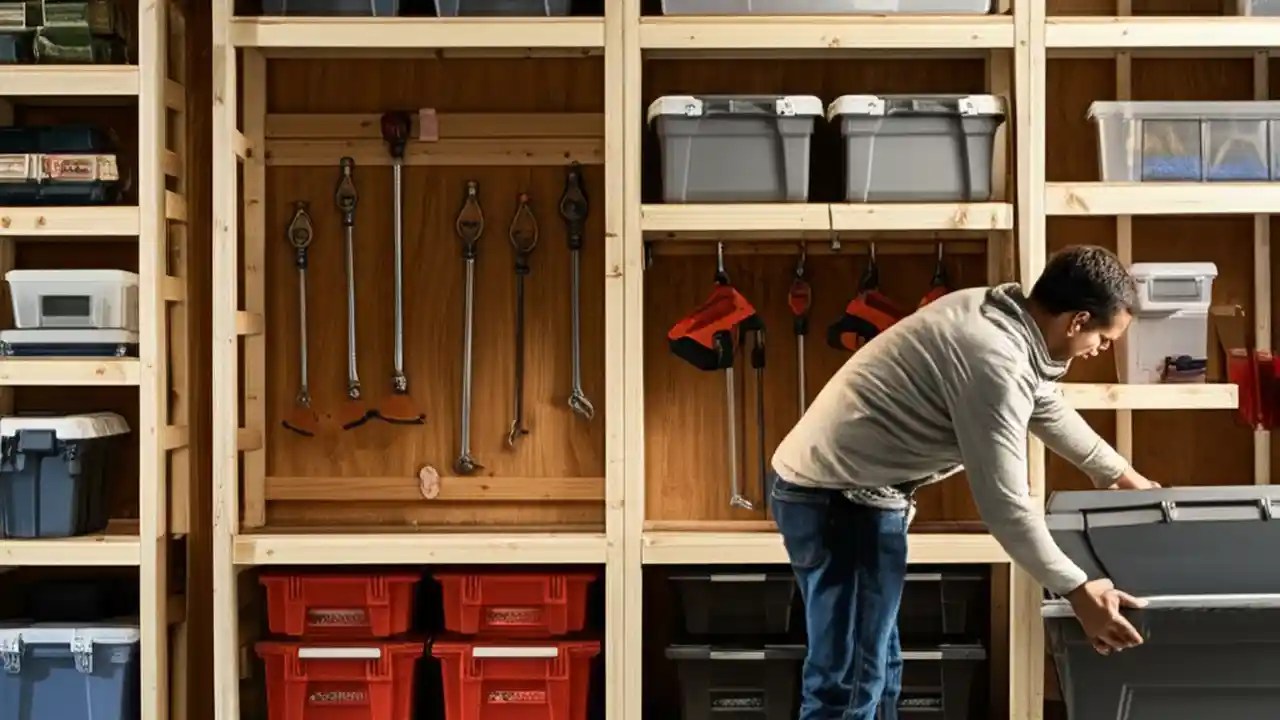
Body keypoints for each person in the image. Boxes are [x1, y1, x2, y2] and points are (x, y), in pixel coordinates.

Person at [769, 245, 1157, 720]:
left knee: (877, 673)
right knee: (849, 687)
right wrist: (1078, 591)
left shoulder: (998, 315)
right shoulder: (995, 359)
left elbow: (1044, 404)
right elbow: (1006, 508)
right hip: (837, 501)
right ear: (1077, 321)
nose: (1102, 349)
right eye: (1105, 337)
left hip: (848, 496)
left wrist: (1124, 476)